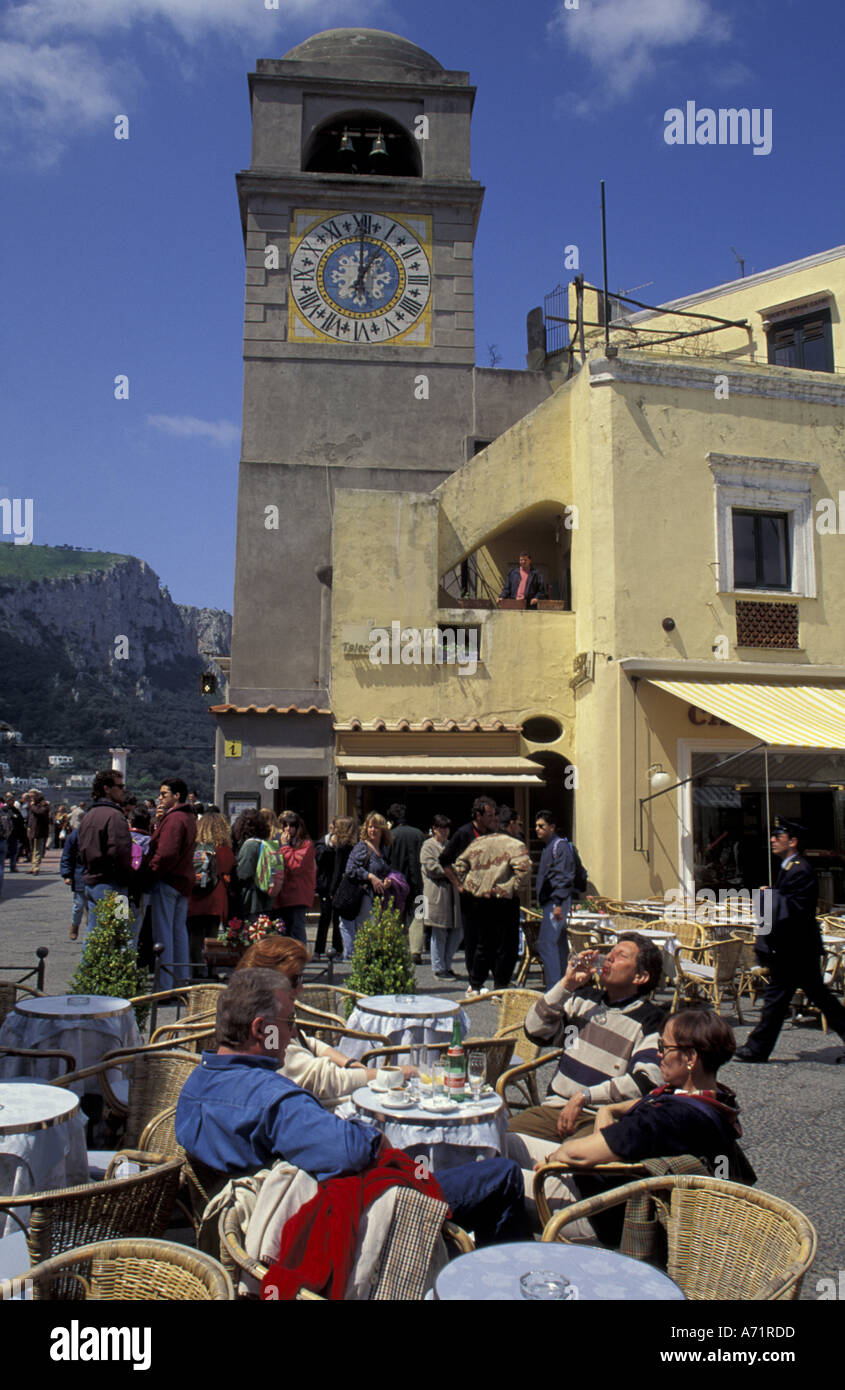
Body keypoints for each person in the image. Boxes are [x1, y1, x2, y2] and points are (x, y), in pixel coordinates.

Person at [175, 971, 530, 1250]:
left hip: (250, 1229)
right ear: (261, 1029)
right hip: (340, 1220)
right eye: (288, 1024)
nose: (293, 1032)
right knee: (503, 1175)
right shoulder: (274, 1099)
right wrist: (374, 1137)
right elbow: (355, 1151)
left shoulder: (193, 1086)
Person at [506, 934, 665, 1150]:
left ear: (640, 977)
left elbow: (646, 1082)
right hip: (555, 1109)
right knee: (495, 1140)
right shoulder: (585, 1001)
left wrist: (586, 1097)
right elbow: (535, 1031)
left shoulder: (650, 1022)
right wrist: (566, 985)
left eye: (621, 956)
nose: (608, 957)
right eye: (611, 952)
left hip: (601, 1117)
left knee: (565, 1163)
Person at [734, 817, 845, 1063]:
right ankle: (757, 1048)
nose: (773, 840)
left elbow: (796, 909)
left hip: (795, 949)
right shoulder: (790, 867)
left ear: (792, 841)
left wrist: (769, 896)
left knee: (778, 998)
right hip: (797, 949)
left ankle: (757, 1049)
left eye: (778, 836)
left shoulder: (799, 869)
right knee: (817, 998)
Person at [235, 935, 390, 1104]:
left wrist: (348, 1062)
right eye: (294, 980)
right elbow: (326, 1080)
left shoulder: (267, 1015)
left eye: (301, 978)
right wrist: (395, 1074)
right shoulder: (268, 1028)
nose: (301, 988)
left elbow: (306, 1041)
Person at [453, 823, 530, 994]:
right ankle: (501, 984)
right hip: (504, 899)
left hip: (482, 898)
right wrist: (512, 888)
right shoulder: (515, 845)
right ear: (511, 824)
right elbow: (524, 870)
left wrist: (472, 886)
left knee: (483, 942)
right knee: (507, 944)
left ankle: (476, 983)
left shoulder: (479, 842)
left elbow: (459, 865)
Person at [439, 796, 498, 988]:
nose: (492, 819)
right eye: (489, 815)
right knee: (472, 937)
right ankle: (474, 980)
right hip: (470, 895)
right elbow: (444, 859)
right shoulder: (463, 833)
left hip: (491, 894)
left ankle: (490, 973)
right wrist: (458, 884)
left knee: (490, 935)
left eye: (493, 815)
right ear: (478, 815)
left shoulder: (492, 833)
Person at [148, 777, 197, 988]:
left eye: (163, 794)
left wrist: (152, 870)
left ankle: (165, 985)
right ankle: (181, 980)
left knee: (164, 935)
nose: (160, 798)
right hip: (183, 882)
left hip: (168, 881)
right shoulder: (189, 818)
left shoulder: (175, 820)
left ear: (176, 796)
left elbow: (166, 853)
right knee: (179, 933)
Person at [77, 770, 132, 926]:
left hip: (91, 881)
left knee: (95, 933)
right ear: (107, 789)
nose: (123, 790)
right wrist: (128, 876)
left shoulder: (89, 815)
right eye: (120, 786)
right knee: (119, 930)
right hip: (113, 884)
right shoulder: (115, 815)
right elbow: (120, 851)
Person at [336, 813, 392, 961]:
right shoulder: (362, 847)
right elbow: (350, 868)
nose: (372, 830)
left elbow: (384, 870)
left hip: (376, 897)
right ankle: (356, 958)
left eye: (376, 827)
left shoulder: (383, 850)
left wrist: (386, 881)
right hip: (362, 895)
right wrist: (370, 876)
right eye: (370, 826)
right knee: (363, 928)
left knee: (372, 929)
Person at [186, 811, 236, 968]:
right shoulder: (225, 848)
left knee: (194, 937)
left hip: (195, 898)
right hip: (216, 898)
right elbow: (228, 870)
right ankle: (210, 970)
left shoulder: (194, 847)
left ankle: (195, 969)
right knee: (212, 938)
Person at [534, 810, 576, 987]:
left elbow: (564, 877)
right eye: (536, 826)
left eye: (541, 826)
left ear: (552, 827)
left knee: (546, 943)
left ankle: (554, 987)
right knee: (558, 944)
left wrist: (558, 903)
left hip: (555, 902)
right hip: (552, 902)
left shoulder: (560, 846)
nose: (537, 829)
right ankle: (562, 983)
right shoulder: (550, 847)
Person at [420, 815, 462, 980]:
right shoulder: (427, 846)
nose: (444, 831)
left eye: (446, 828)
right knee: (439, 931)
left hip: (453, 894)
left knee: (458, 931)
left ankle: (447, 964)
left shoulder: (451, 845)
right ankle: (438, 968)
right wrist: (450, 871)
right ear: (434, 829)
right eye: (441, 828)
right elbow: (432, 867)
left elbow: (460, 863)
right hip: (437, 893)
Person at [386, 804, 425, 963]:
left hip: (397, 884)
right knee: (419, 917)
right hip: (419, 883)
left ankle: (399, 949)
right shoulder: (419, 834)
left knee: (397, 917)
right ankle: (416, 951)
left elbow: (386, 859)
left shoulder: (390, 835)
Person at [276, 811, 316, 946]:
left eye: (291, 826)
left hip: (298, 893)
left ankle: (300, 957)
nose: (288, 829)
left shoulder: (306, 844)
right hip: (284, 893)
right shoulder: (281, 842)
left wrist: (285, 847)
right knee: (284, 930)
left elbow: (295, 866)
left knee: (296, 929)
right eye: (285, 826)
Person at [232, 809, 272, 920]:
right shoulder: (267, 844)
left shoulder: (249, 845)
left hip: (252, 901)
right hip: (267, 900)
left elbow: (244, 874)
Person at [314, 821, 341, 958]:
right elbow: (319, 858)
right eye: (331, 827)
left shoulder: (343, 844)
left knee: (337, 919)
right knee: (325, 917)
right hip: (325, 885)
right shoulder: (322, 842)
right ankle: (318, 949)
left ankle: (337, 948)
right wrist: (330, 847)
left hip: (338, 886)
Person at [60, 825, 88, 941]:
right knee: (79, 905)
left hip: (93, 875)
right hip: (80, 875)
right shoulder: (76, 834)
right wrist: (66, 875)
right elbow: (67, 855)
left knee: (92, 908)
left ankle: (89, 931)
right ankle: (75, 924)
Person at [26, 792, 51, 874]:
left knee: (37, 849)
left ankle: (35, 867)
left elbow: (40, 812)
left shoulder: (44, 805)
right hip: (32, 830)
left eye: (32, 797)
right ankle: (33, 866)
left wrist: (32, 806)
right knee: (32, 849)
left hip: (39, 830)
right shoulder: (34, 805)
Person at [4, 793, 25, 873]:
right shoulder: (3, 810)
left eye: (12, 800)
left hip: (14, 833)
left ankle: (13, 866)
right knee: (4, 851)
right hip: (5, 834)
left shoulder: (16, 810)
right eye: (9, 800)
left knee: (14, 851)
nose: (11, 801)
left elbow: (21, 821)